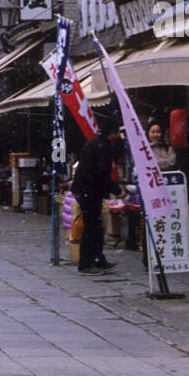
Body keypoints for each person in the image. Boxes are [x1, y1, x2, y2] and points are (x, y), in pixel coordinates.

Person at [72, 115, 122, 275]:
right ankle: (86, 264)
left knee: (95, 225)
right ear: (112, 133)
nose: (119, 136)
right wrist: (117, 189)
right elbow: (101, 174)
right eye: (118, 132)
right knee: (91, 227)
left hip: (86, 190)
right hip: (89, 191)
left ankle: (98, 259)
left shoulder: (95, 142)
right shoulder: (103, 147)